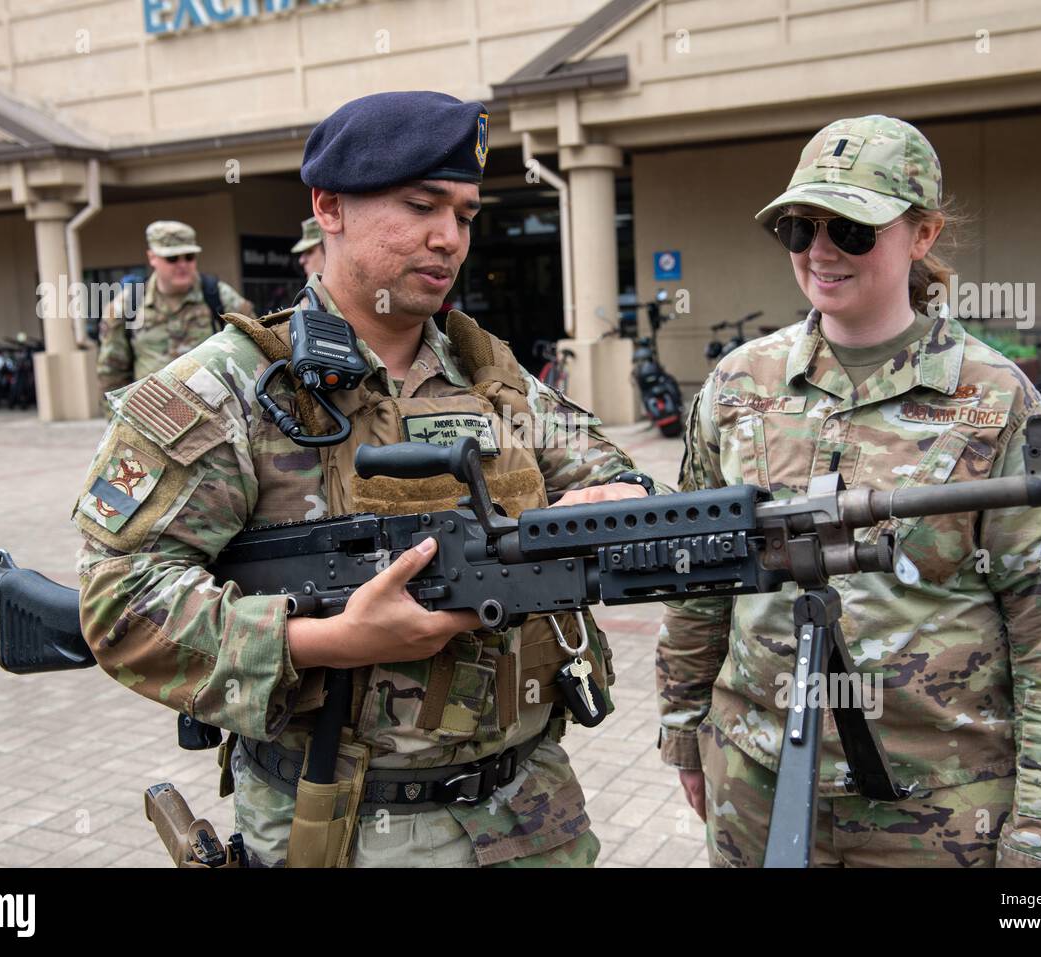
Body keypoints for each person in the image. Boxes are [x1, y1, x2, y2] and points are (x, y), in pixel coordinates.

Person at [73, 91, 650, 868]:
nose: (448, 238)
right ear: (328, 208)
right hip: (343, 825)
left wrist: (623, 500)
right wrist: (328, 640)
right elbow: (118, 599)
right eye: (420, 205)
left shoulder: (492, 374)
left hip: (530, 812)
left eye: (466, 215)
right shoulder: (227, 390)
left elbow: (606, 471)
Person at [657, 114, 1041, 868]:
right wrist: (684, 729)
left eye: (853, 229)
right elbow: (696, 580)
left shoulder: (995, 400)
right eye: (800, 228)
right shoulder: (738, 385)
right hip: (757, 783)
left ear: (923, 234)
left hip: (935, 808)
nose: (821, 251)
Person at [95, 220, 254, 395]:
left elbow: (252, 350)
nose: (182, 264)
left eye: (189, 257)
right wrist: (121, 418)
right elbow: (111, 373)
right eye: (172, 258)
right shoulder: (127, 304)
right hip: (152, 412)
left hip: (214, 410)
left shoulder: (220, 296)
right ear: (152, 258)